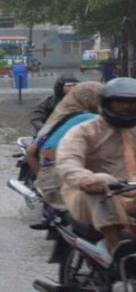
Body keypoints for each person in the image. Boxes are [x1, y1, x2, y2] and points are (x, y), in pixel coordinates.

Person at [57, 78, 136, 251]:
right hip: (89, 194)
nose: (126, 108)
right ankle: (114, 247)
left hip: (131, 194)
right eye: (119, 103)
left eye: (132, 104)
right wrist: (85, 179)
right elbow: (67, 160)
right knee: (102, 180)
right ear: (107, 104)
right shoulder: (85, 130)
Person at [24, 82, 103, 223]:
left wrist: (43, 179)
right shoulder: (91, 120)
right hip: (67, 184)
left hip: (48, 186)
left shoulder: (58, 118)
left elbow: (29, 154)